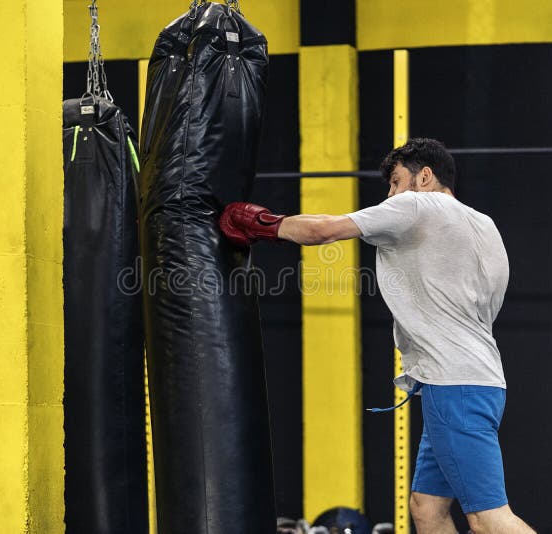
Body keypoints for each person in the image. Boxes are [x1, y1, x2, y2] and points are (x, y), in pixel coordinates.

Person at [219, 138, 535, 534]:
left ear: (425, 176)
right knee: (426, 508)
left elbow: (322, 230)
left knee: (488, 518)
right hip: (475, 381)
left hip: (454, 384)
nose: (390, 195)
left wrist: (262, 224)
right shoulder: (483, 225)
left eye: (396, 182)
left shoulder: (415, 205)